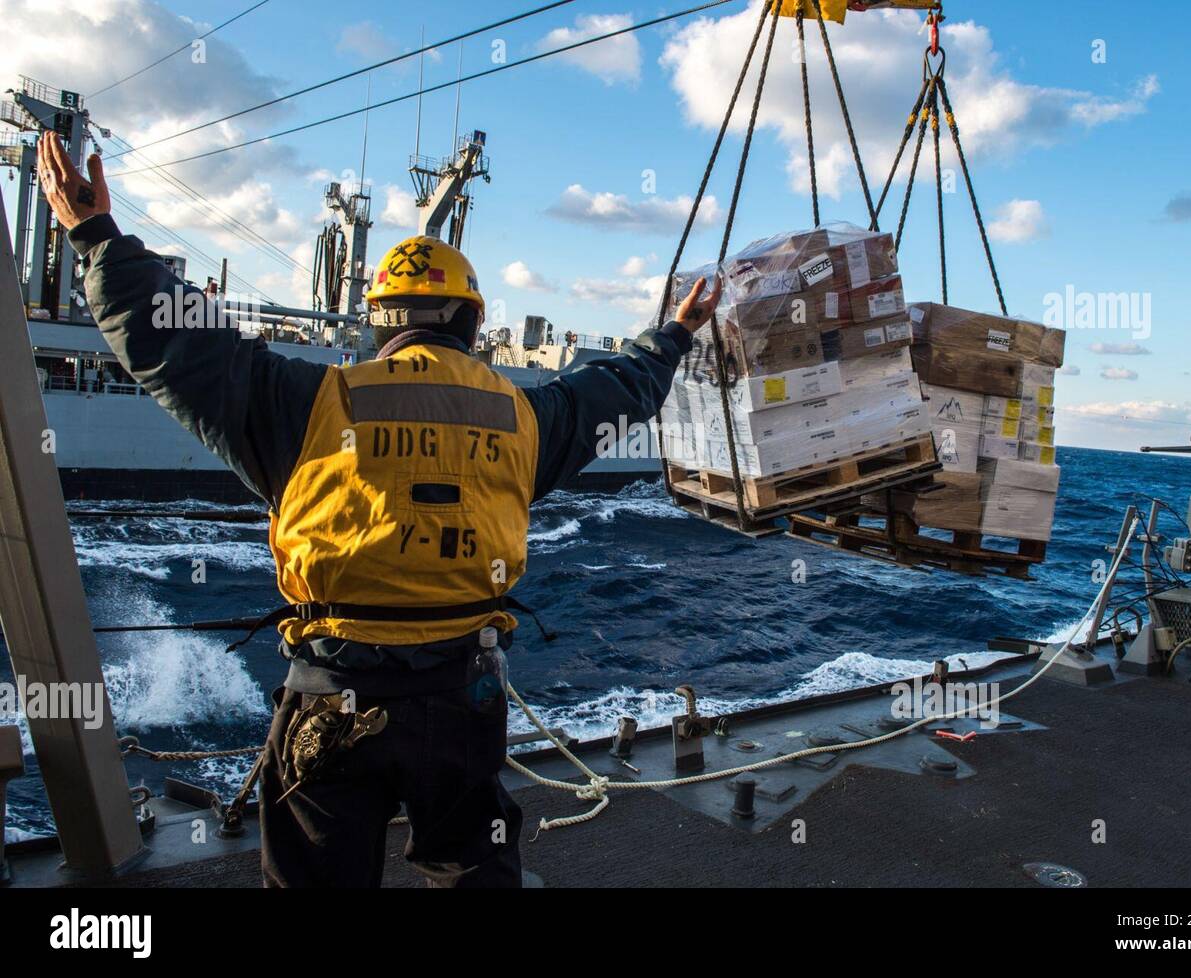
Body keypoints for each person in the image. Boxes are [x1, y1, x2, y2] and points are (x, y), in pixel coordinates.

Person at [36, 130, 720, 888]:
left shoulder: (309, 401)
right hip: (463, 694)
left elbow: (185, 349)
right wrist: (676, 333)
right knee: (474, 866)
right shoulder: (525, 417)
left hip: (333, 695)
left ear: (378, 322)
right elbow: (615, 390)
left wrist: (95, 234)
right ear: (471, 323)